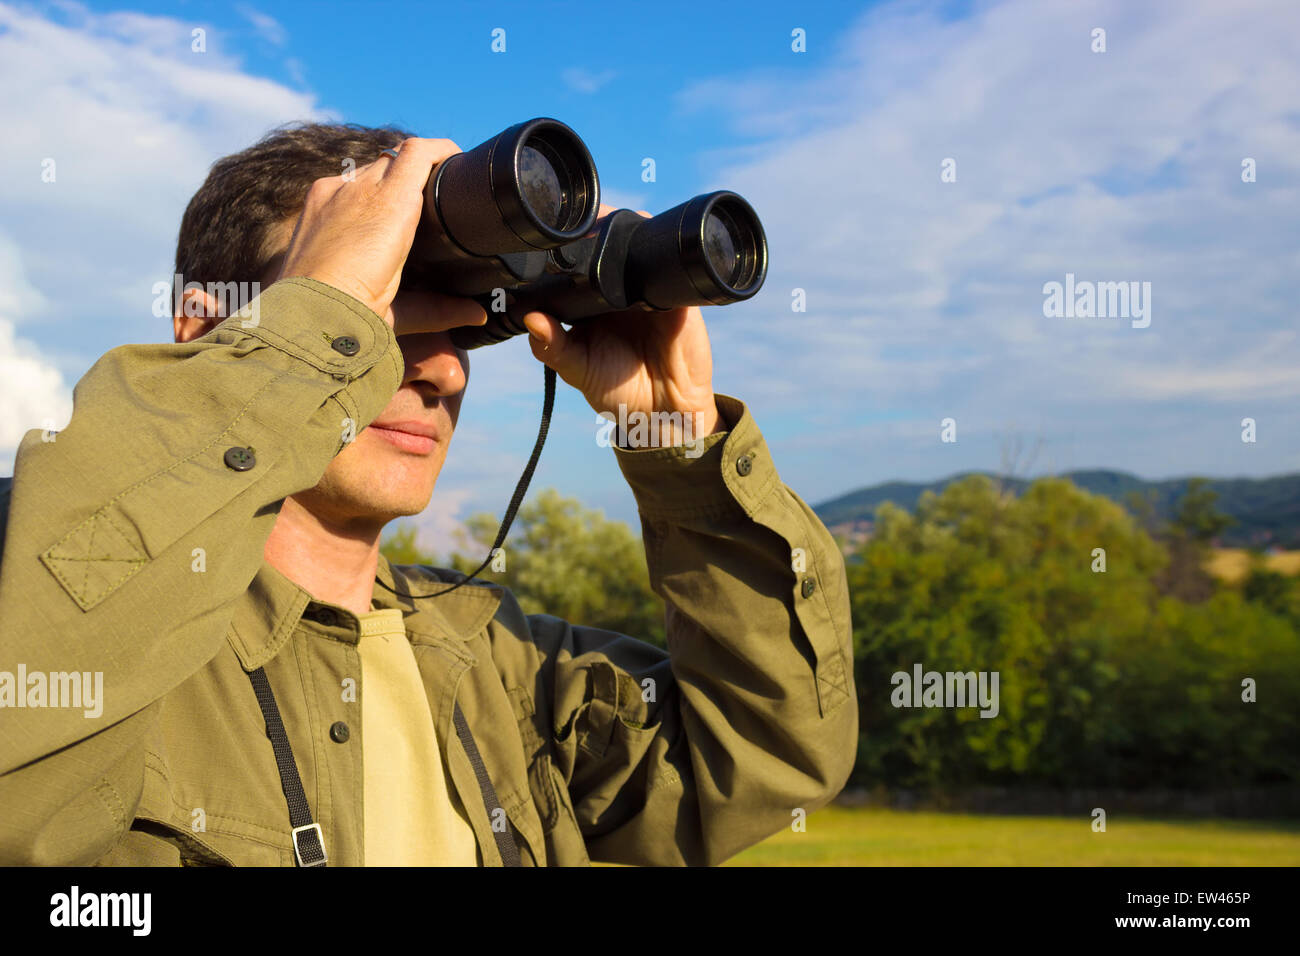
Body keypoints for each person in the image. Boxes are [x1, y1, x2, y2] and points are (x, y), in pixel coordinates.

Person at [0, 124, 857, 866]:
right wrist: (303, 342)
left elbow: (763, 763)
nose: (444, 369)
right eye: (373, 324)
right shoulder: (96, 632)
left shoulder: (494, 662)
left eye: (460, 332)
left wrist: (674, 446)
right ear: (203, 325)